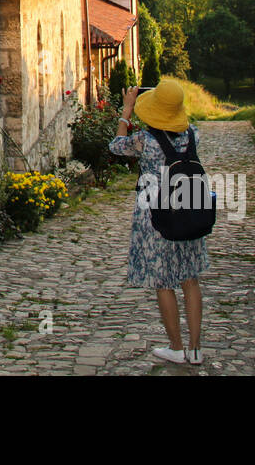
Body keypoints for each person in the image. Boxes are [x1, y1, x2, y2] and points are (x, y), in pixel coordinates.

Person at [108, 77, 208, 365]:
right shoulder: (193, 134)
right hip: (189, 210)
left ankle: (176, 348)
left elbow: (116, 146)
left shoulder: (146, 141)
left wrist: (126, 111)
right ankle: (196, 349)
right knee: (191, 279)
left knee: (164, 282)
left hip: (156, 216)